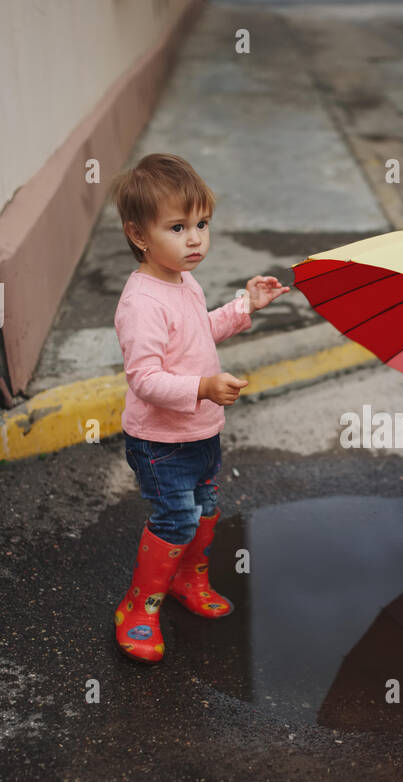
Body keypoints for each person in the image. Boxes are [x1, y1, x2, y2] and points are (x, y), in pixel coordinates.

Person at [108, 153, 289, 663]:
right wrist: (204, 387)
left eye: (202, 225)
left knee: (204, 509)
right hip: (161, 442)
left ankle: (189, 580)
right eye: (178, 227)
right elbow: (144, 379)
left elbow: (197, 332)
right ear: (139, 235)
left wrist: (244, 306)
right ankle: (139, 608)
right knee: (175, 519)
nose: (195, 239)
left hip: (200, 432)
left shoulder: (182, 281)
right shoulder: (142, 301)